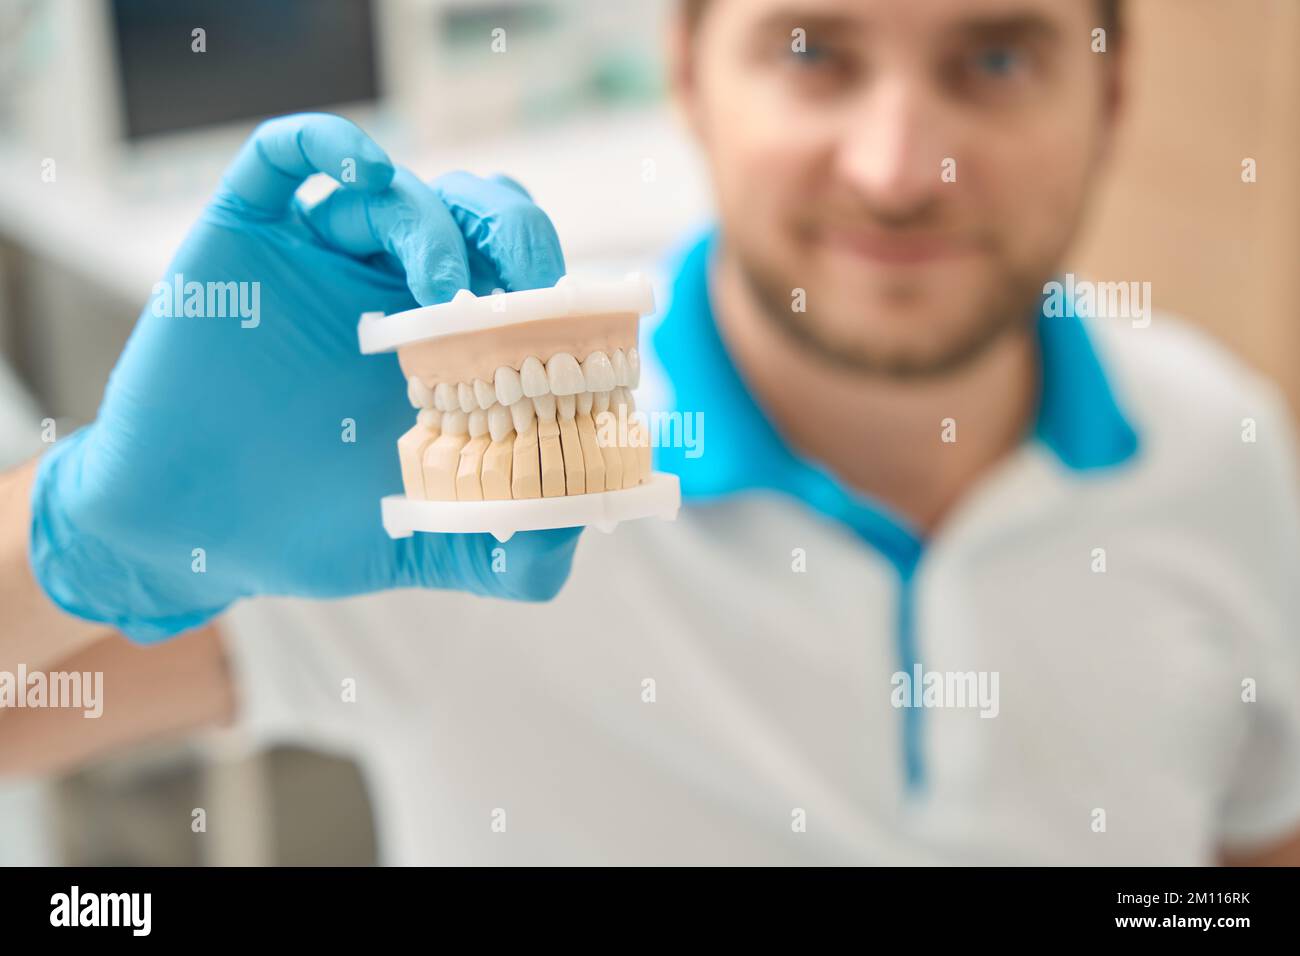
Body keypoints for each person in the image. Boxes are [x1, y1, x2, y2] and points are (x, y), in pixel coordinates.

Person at [3, 0, 1298, 864]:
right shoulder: (452, 476)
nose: (900, 168)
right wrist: (84, 531)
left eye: (997, 59)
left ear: (1112, 95)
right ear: (689, 73)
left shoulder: (1226, 451)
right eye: (812, 51)